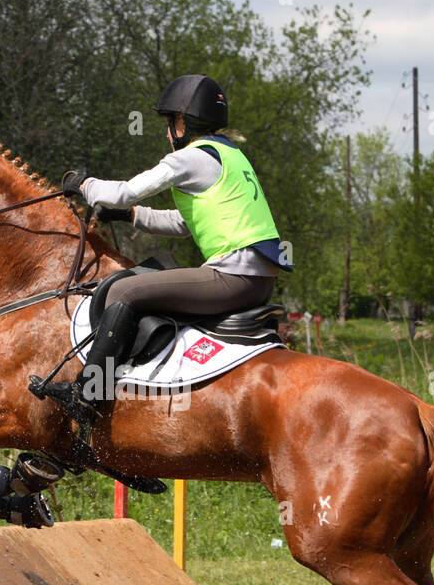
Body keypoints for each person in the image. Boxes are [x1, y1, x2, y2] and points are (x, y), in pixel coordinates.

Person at [30, 74, 290, 426]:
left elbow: (121, 191)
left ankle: (87, 396)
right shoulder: (230, 156)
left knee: (123, 291)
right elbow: (186, 224)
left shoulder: (189, 158)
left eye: (169, 123)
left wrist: (82, 184)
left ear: (182, 123)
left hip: (233, 277)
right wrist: (130, 216)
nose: (167, 133)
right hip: (255, 279)